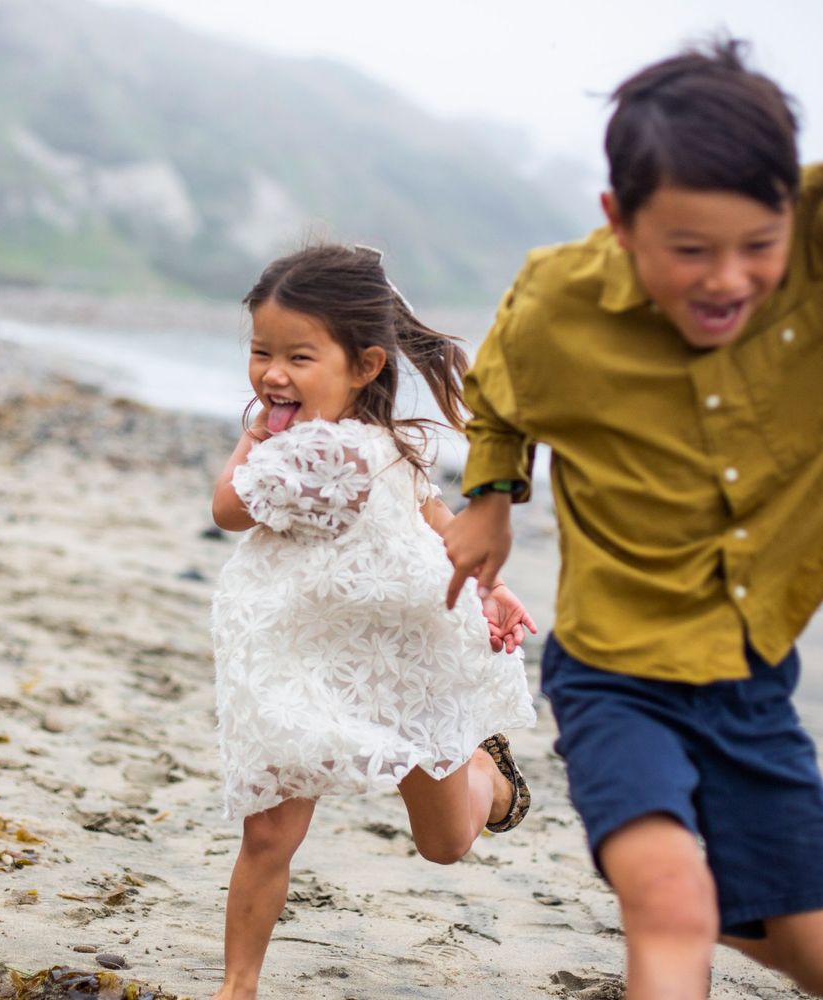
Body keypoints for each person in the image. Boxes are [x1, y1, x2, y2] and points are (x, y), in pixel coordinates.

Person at [441, 39, 823, 1000]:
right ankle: (684, 906)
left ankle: (716, 902)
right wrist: (492, 499)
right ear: (619, 221)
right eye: (691, 251)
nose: (727, 280)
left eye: (758, 245)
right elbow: (498, 391)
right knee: (668, 911)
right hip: (614, 674)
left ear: (792, 206)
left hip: (751, 680)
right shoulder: (561, 300)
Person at [209, 243, 539, 1000]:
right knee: (268, 832)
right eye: (261, 353)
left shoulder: (386, 447)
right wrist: (265, 431)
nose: (272, 374)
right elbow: (229, 512)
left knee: (446, 844)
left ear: (363, 365)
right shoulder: (289, 445)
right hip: (297, 659)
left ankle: (485, 775)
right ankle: (238, 987)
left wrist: (490, 588)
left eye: (299, 356)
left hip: (405, 656)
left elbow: (437, 523)